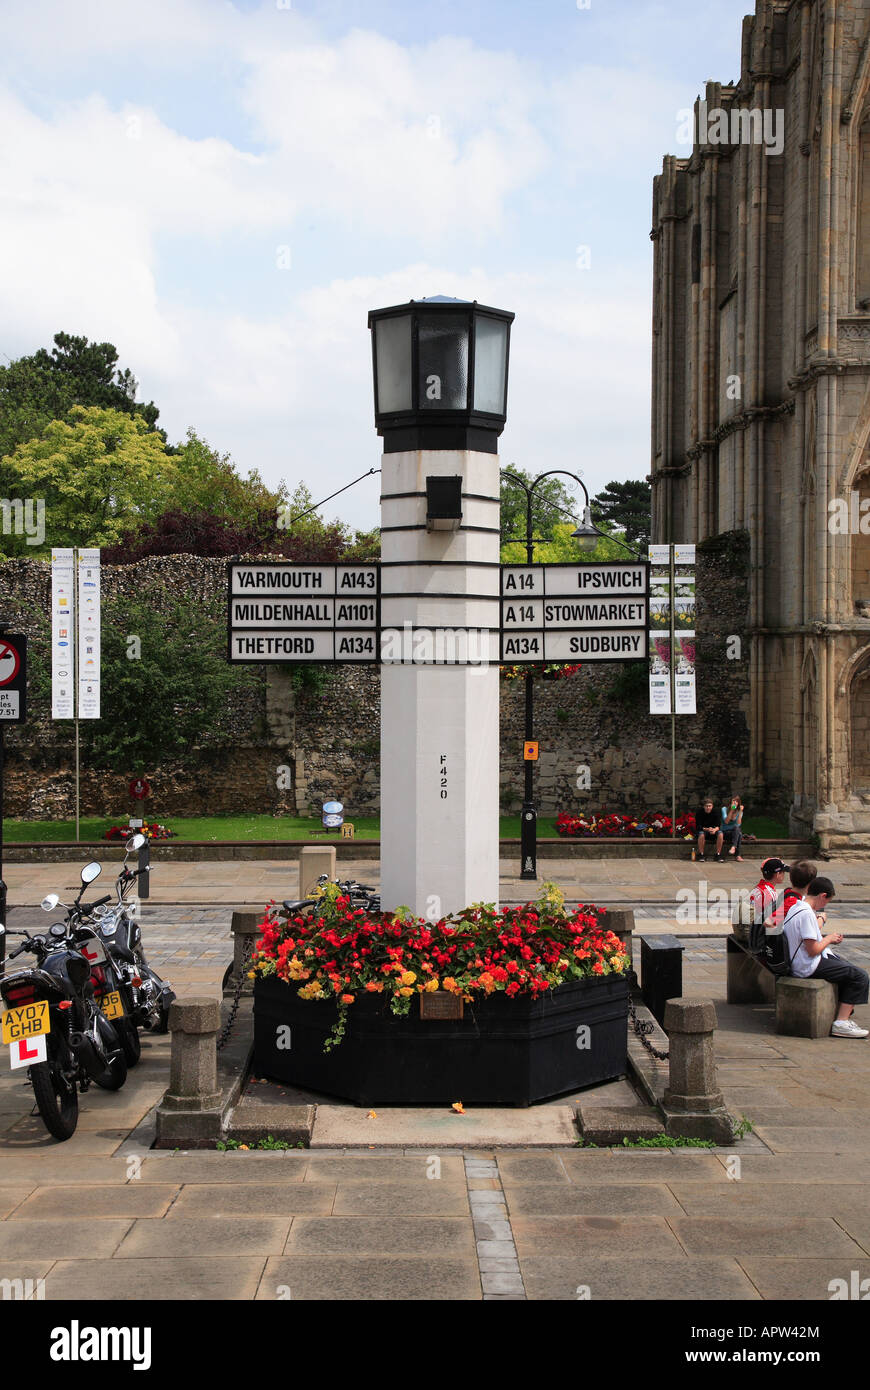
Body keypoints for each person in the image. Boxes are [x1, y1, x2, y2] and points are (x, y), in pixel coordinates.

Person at [782, 875, 870, 1038]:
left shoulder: (797, 906)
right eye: (827, 901)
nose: (825, 905)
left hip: (799, 961)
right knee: (860, 976)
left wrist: (821, 922)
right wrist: (829, 938)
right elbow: (813, 950)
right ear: (823, 896)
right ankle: (841, 1023)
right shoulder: (807, 914)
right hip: (806, 965)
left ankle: (842, 1015)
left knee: (846, 966)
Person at [747, 857, 788, 951]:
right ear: (778, 874)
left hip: (752, 931)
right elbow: (772, 921)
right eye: (783, 872)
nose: (784, 875)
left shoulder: (757, 888)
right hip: (759, 936)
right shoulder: (771, 894)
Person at [694, 795, 723, 861]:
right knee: (701, 834)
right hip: (703, 830)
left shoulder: (716, 812)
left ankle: (718, 854)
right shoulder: (699, 812)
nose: (708, 807)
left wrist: (714, 830)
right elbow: (698, 826)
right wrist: (707, 829)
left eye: (709, 806)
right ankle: (701, 854)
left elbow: (718, 825)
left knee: (720, 834)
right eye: (706, 806)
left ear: (712, 806)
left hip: (713, 830)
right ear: (704, 806)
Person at [721, 794, 744, 861]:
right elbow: (726, 822)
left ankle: (733, 847)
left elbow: (739, 824)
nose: (735, 803)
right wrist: (731, 810)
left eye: (736, 801)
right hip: (725, 832)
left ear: (738, 803)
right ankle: (738, 855)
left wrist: (740, 812)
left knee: (738, 830)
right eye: (733, 801)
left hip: (734, 832)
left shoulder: (739, 811)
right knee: (739, 834)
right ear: (730, 802)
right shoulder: (724, 809)